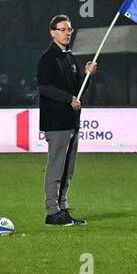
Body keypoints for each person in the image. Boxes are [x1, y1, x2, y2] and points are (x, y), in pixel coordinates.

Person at [36, 15, 96, 226]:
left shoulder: (69, 58)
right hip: (56, 121)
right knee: (56, 166)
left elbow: (77, 91)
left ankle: (63, 207)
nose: (66, 33)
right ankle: (52, 211)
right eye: (62, 29)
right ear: (52, 32)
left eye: (69, 30)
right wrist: (68, 99)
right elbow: (45, 87)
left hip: (72, 121)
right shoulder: (48, 58)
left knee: (68, 169)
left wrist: (86, 75)